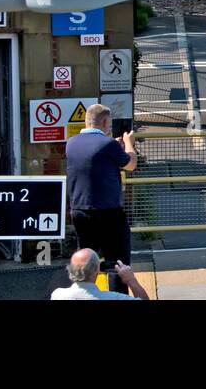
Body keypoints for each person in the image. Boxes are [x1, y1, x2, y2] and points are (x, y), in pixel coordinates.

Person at [65, 104, 137, 293]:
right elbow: (130, 165)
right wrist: (128, 143)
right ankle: (117, 297)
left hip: (79, 211)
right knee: (117, 262)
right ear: (105, 122)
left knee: (87, 262)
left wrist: (112, 145)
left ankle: (85, 295)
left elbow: (94, 156)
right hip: (109, 213)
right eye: (109, 123)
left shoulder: (71, 143)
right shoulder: (108, 145)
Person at [50, 248, 148, 301]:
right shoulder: (113, 298)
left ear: (70, 270)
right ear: (97, 271)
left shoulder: (57, 295)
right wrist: (131, 280)